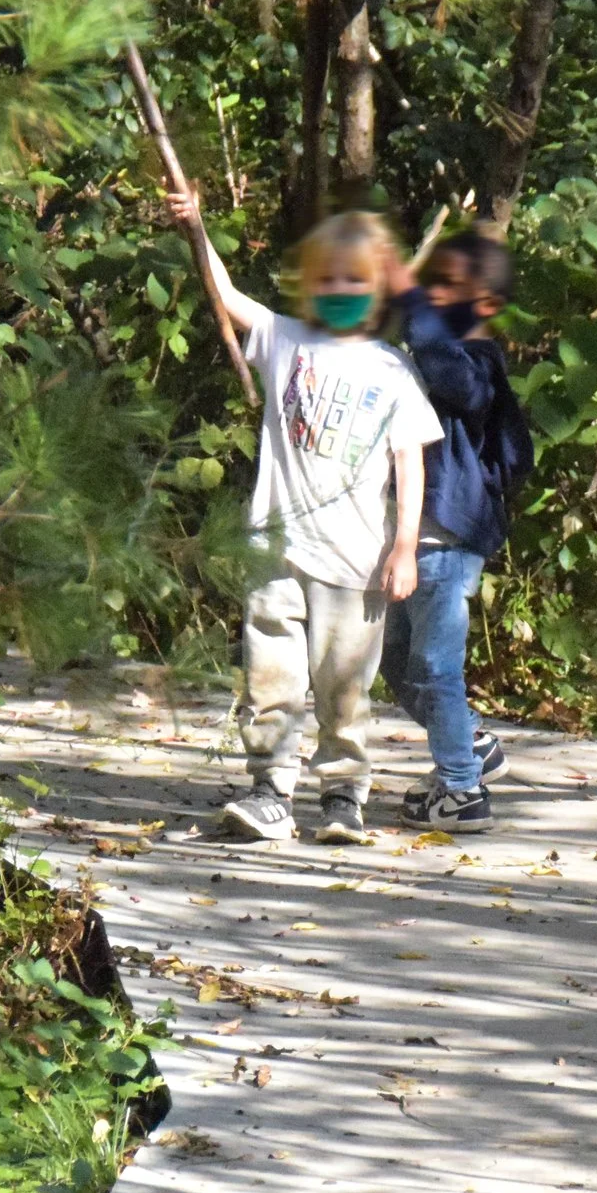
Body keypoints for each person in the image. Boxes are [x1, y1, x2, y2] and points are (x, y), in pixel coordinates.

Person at [167, 190, 442, 846]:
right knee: (271, 672)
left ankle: (343, 795)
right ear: (308, 286)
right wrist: (197, 226)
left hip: (357, 561)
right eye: (327, 279)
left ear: (377, 289)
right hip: (277, 546)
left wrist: (405, 547)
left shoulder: (393, 370)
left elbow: (410, 465)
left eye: (356, 279)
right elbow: (226, 297)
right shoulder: (286, 340)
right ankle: (270, 790)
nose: (341, 289)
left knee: (343, 686)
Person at [383, 232, 533, 833]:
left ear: (487, 306)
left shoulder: (477, 362)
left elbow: (455, 382)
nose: (434, 297)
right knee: (396, 661)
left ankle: (461, 787)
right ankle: (469, 741)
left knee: (437, 665)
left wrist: (414, 306)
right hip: (415, 537)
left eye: (450, 290)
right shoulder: (436, 347)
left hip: (447, 535)